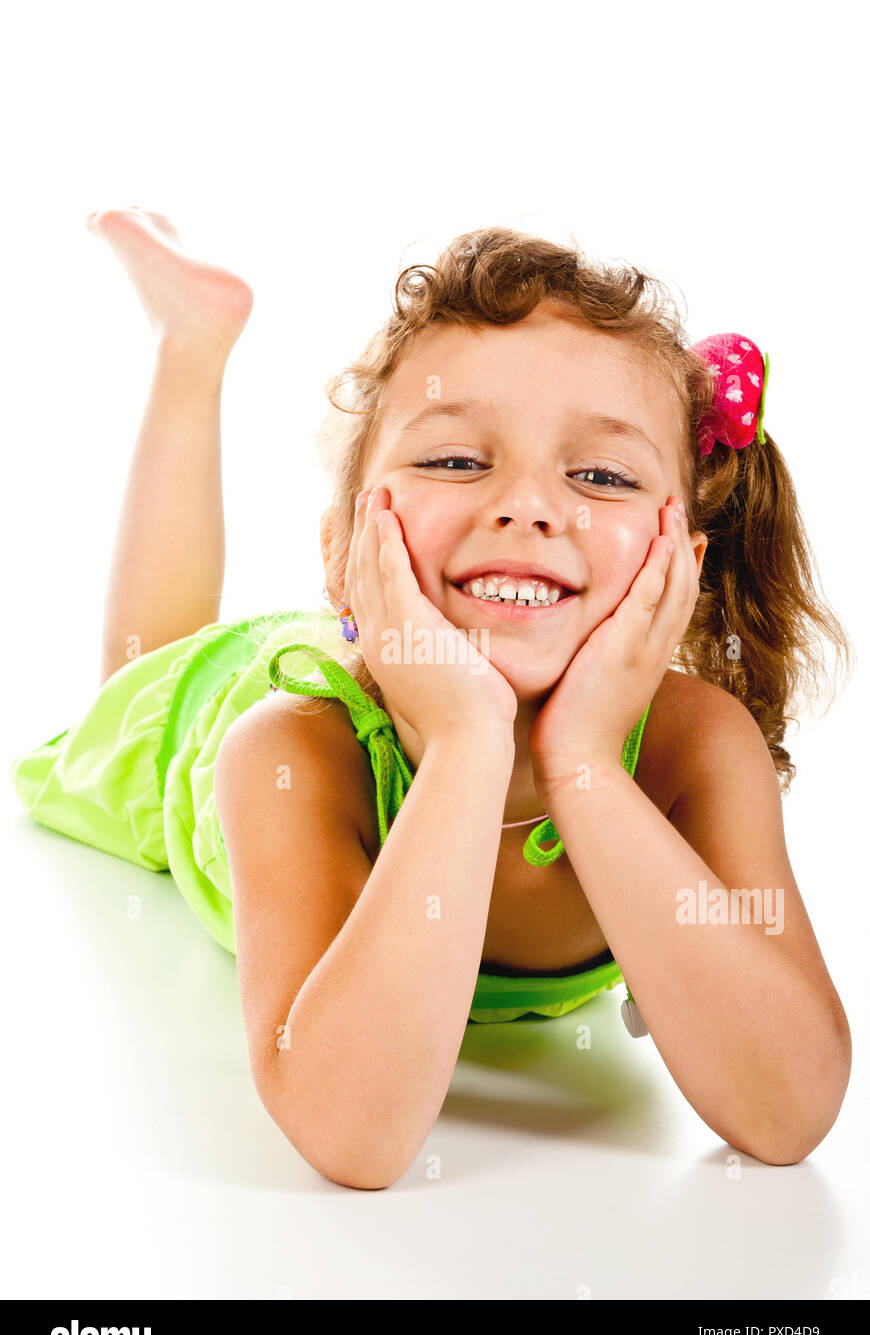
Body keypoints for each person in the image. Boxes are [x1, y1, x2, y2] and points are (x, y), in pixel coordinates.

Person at [10, 208, 853, 1188]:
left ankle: (194, 341)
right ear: (341, 550)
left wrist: (581, 762)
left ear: (682, 561)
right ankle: (190, 349)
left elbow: (790, 1110)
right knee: (143, 671)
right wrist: (465, 741)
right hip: (247, 702)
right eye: (456, 459)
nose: (529, 504)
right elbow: (351, 1134)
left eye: (601, 473)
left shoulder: (695, 747)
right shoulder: (285, 754)